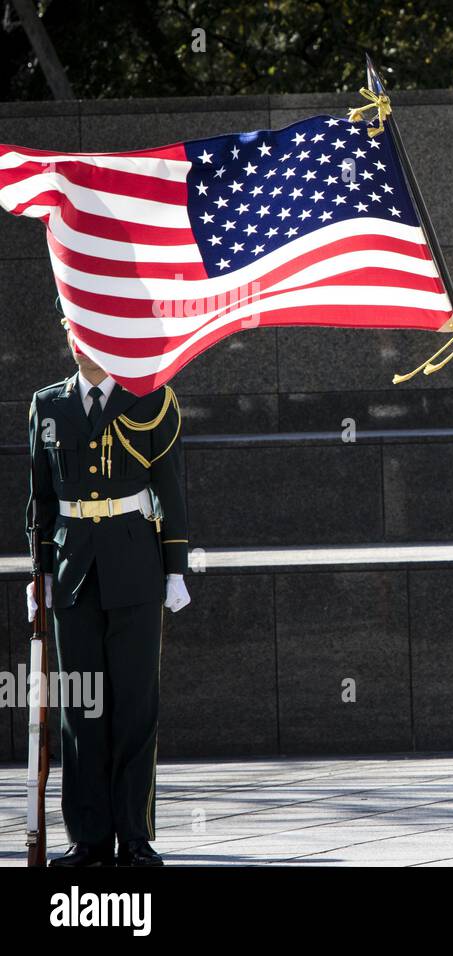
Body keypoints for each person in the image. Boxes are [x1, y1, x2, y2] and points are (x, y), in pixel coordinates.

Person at [26, 297, 191, 867]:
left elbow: (170, 486)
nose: (80, 340)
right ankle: (88, 838)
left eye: (91, 329)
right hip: (74, 575)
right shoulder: (47, 406)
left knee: (135, 706)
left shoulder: (148, 398)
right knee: (82, 709)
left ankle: (135, 836)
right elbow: (42, 502)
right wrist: (39, 572)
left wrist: (176, 567)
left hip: (136, 568)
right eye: (73, 329)